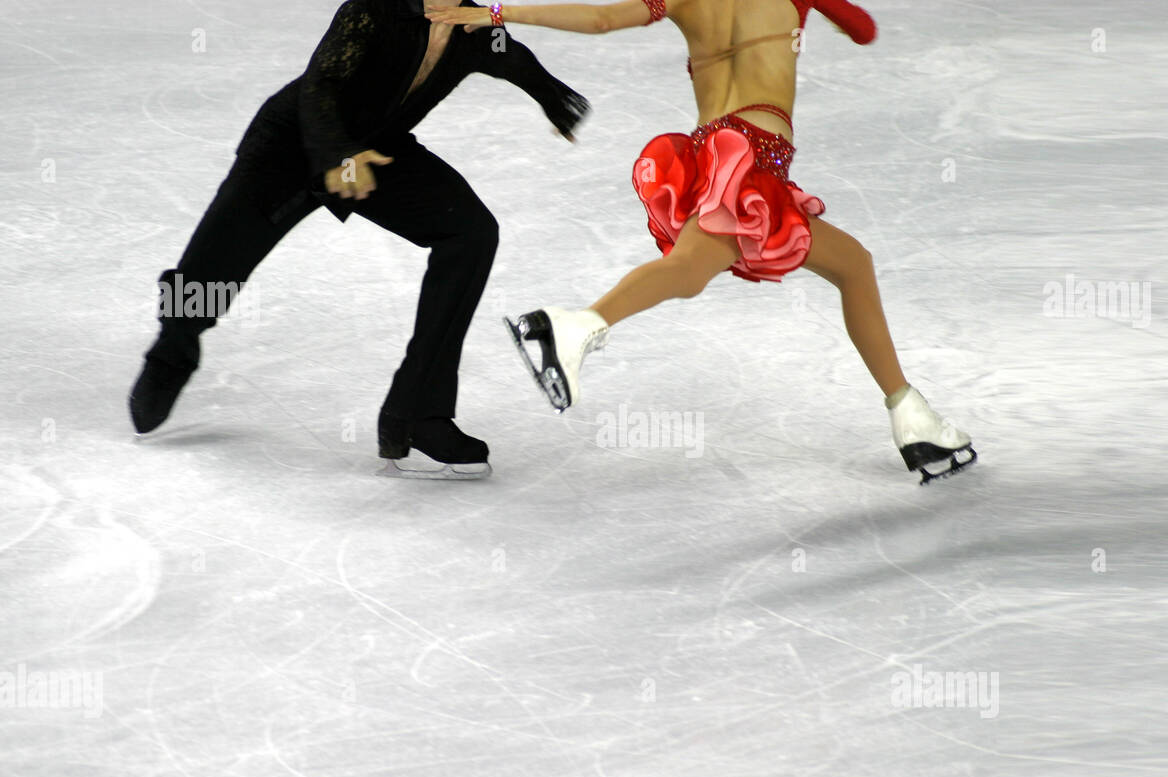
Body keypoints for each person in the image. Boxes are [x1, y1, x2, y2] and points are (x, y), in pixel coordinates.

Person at [428, 0, 975, 483]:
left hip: (709, 150)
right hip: (755, 155)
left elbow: (600, 20)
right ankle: (568, 329)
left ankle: (913, 419)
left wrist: (499, 13)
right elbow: (864, 28)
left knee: (746, 269)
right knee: (731, 268)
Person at [128, 0, 590, 479]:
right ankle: (170, 355)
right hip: (292, 146)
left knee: (470, 232)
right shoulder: (374, 8)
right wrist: (337, 153)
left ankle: (418, 412)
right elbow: (320, 83)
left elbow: (508, 53)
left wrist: (555, 99)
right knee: (207, 274)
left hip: (376, 156)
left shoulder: (472, 28)